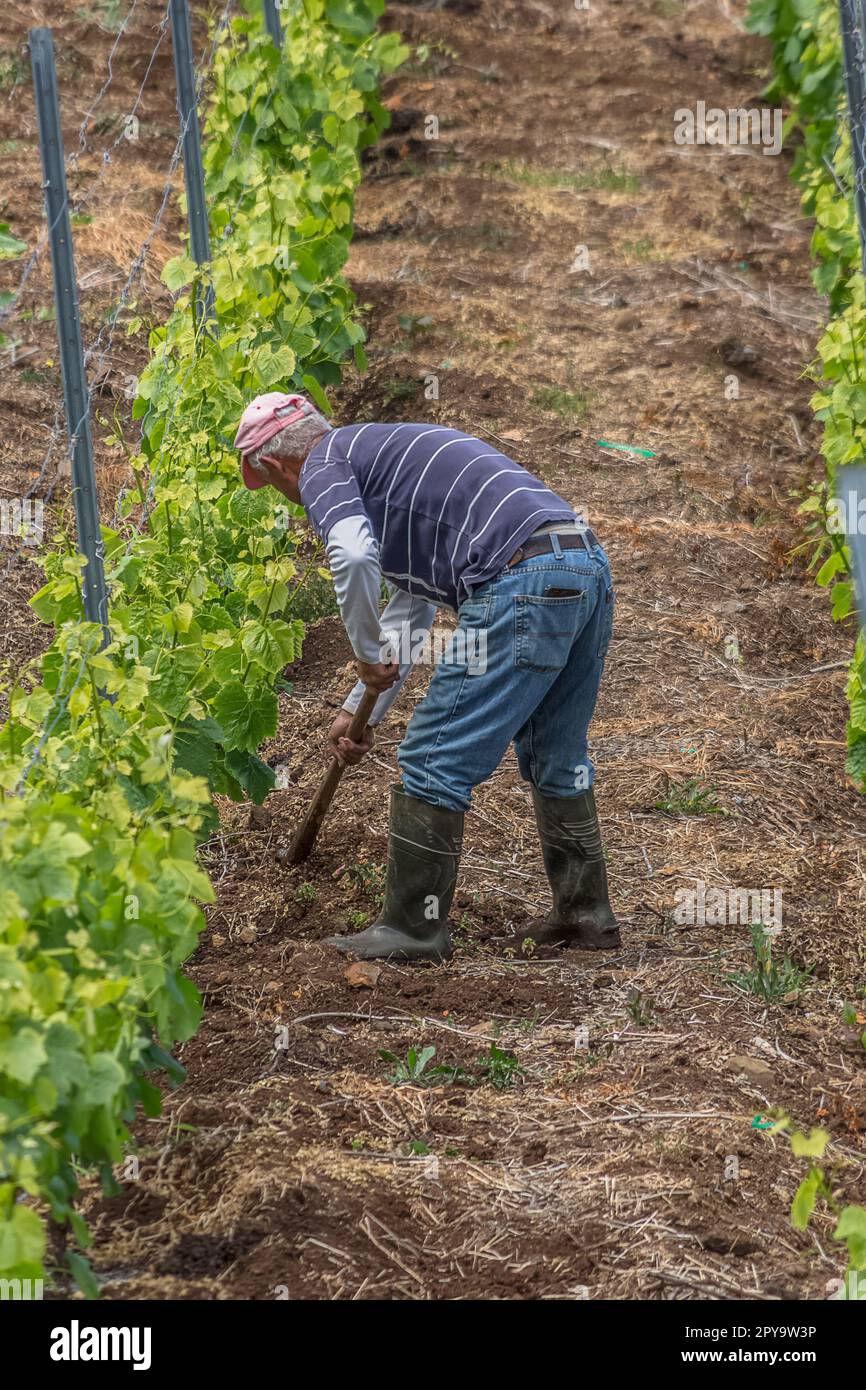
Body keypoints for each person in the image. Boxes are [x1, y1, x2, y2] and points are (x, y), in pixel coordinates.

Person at [234, 391, 619, 961]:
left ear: (273, 463)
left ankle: (413, 930)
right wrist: (359, 704)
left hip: (521, 580)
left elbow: (353, 557)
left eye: (274, 485)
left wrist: (364, 652)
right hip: (579, 563)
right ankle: (586, 916)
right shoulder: (380, 460)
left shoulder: (322, 464)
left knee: (433, 758)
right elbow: (412, 611)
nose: (292, 500)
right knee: (554, 755)